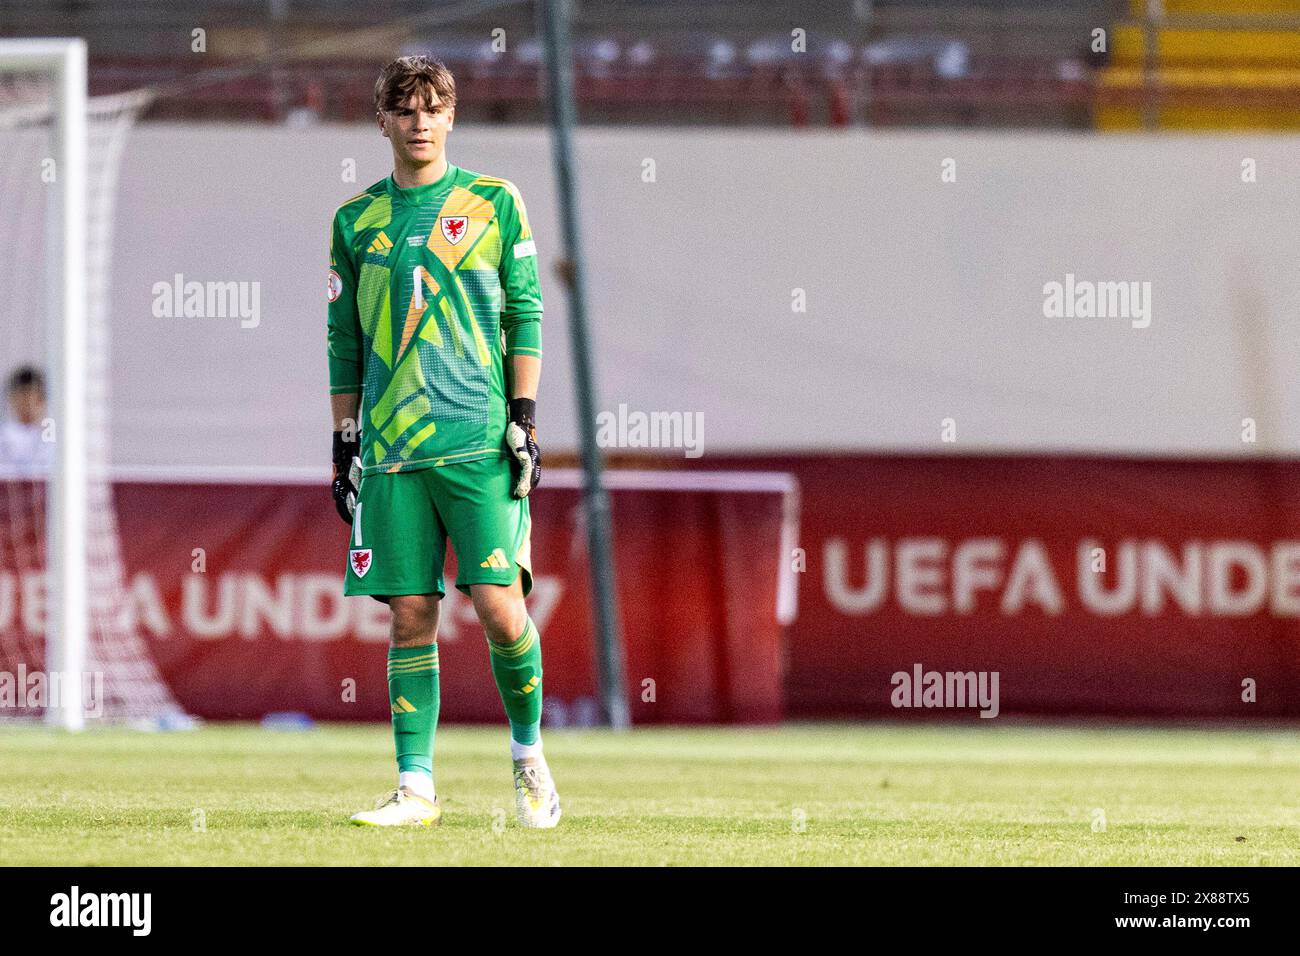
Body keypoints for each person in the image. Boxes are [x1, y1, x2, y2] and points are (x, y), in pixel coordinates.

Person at [327, 56, 557, 828]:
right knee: (408, 616)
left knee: (498, 606)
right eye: (405, 109)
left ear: (451, 118)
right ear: (382, 121)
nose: (419, 122)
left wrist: (523, 419)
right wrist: (343, 439)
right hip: (393, 448)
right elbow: (342, 340)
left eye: (432, 108)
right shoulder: (355, 221)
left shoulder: (493, 204)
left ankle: (529, 758)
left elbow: (525, 311)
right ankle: (415, 787)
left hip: (476, 440)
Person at [0, 366, 53, 476]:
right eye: (24, 397)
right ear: (13, 398)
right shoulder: (4, 436)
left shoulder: (52, 438)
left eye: (35, 398)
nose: (29, 404)